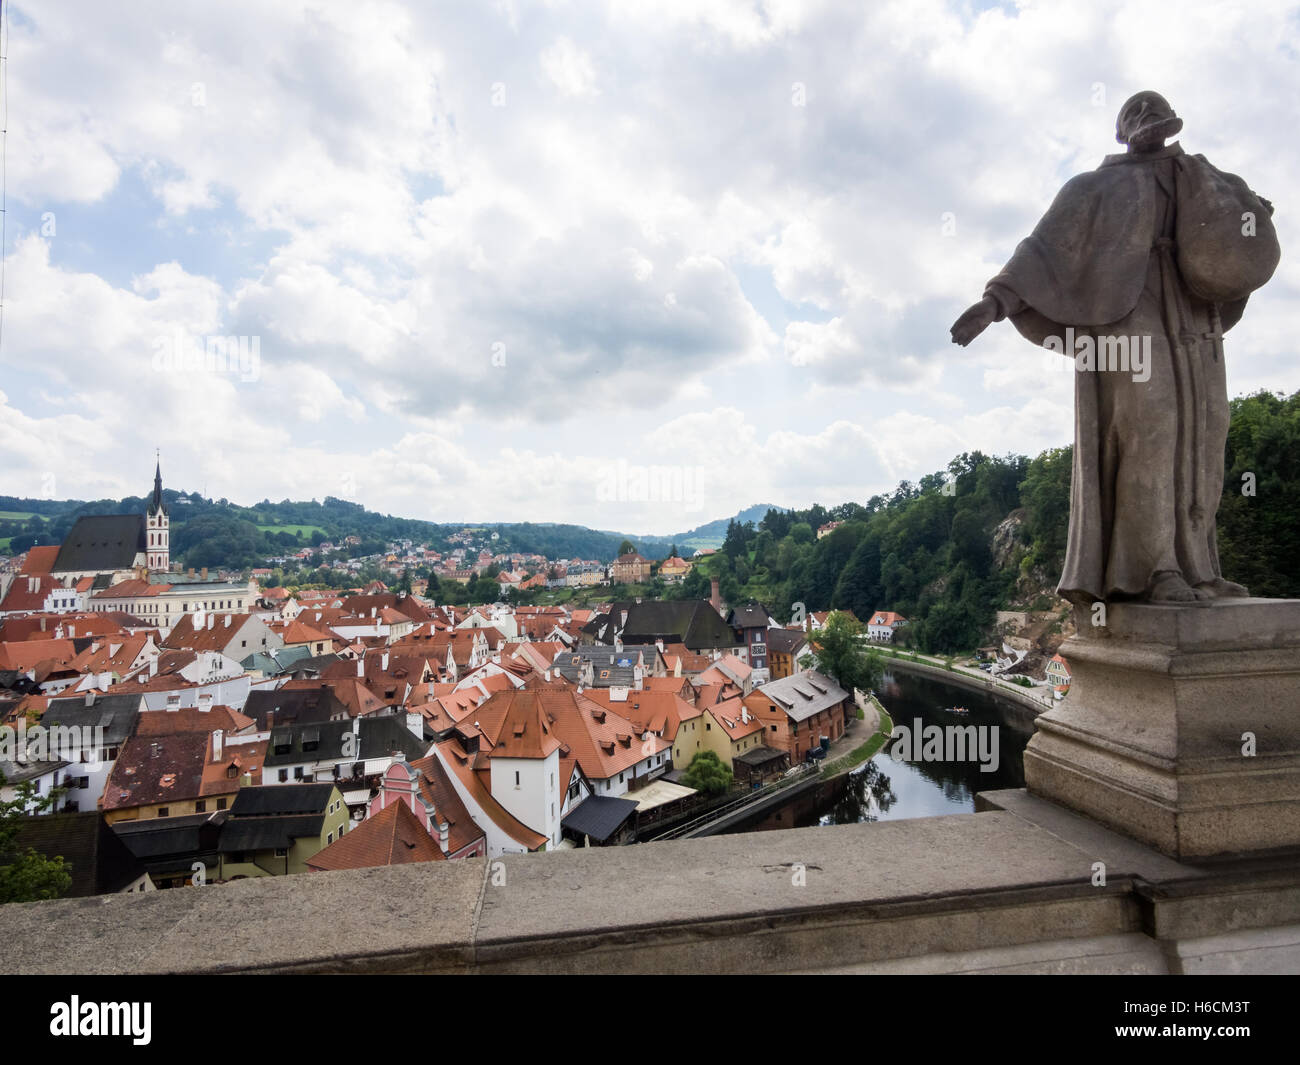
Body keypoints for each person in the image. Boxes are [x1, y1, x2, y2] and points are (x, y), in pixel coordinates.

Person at [951, 92, 1278, 605]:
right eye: (1137, 117)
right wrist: (993, 303)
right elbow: (1041, 250)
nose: (1149, 124)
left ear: (1171, 124)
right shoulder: (1094, 187)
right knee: (1152, 427)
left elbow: (1244, 232)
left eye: (1157, 116)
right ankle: (1155, 570)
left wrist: (1252, 219)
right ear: (1122, 131)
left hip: (1194, 317)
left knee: (1205, 435)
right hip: (1128, 315)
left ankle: (1201, 569)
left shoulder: (1203, 175)